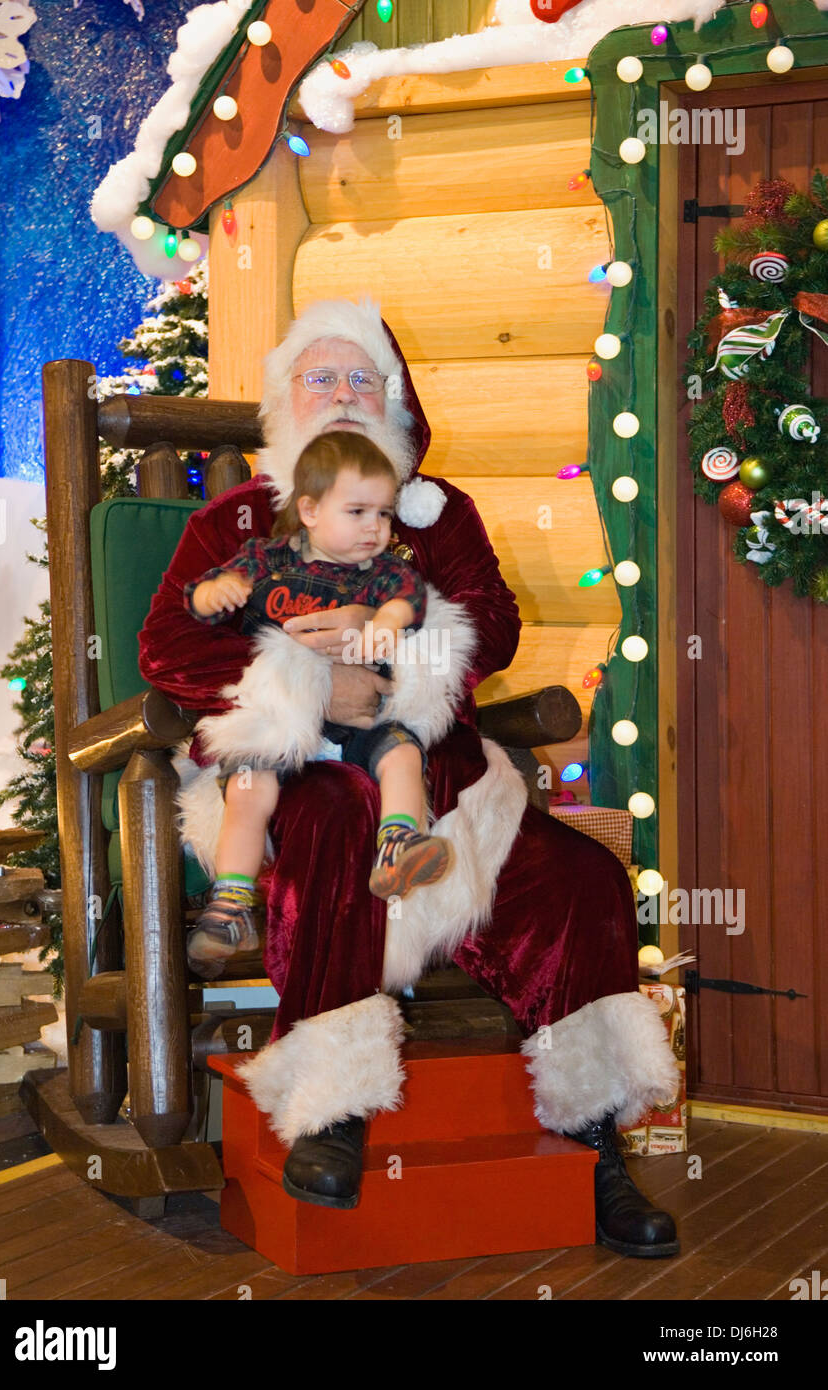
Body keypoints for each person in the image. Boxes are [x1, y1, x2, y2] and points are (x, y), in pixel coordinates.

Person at [139, 294, 681, 1255]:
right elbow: (168, 644)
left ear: (393, 398)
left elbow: (495, 626)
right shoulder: (238, 519)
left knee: (580, 880)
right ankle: (333, 1107)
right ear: (286, 400)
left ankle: (595, 1143)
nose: (343, 394)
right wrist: (311, 682)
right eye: (321, 377)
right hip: (294, 776)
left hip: (450, 780)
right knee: (336, 818)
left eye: (362, 378)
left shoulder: (435, 515)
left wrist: (397, 674)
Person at [182, 429, 454, 978]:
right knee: (248, 788)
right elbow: (198, 601)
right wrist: (217, 593)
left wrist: (386, 621)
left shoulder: (383, 573)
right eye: (357, 511)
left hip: (358, 721)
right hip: (284, 716)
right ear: (308, 510)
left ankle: (398, 844)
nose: (374, 528)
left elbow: (411, 602)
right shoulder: (264, 559)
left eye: (383, 513)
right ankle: (230, 904)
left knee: (403, 754)